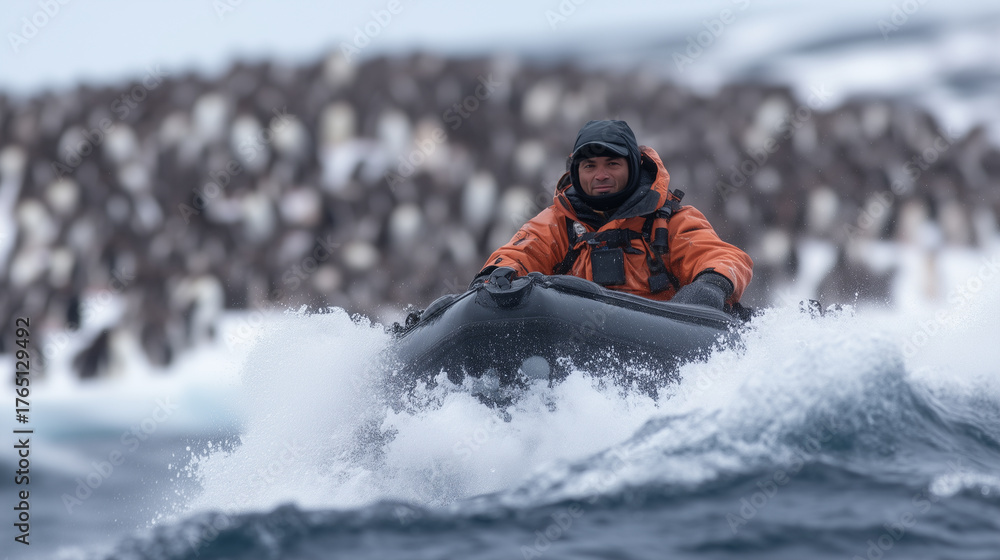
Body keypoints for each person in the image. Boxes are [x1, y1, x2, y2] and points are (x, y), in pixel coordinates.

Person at [472, 119, 753, 312]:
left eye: (612, 164)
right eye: (590, 166)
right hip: (576, 354)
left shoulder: (670, 221)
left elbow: (724, 258)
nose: (601, 175)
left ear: (633, 166)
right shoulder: (557, 224)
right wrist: (496, 277)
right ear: (575, 171)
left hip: (662, 345)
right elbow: (517, 254)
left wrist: (710, 285)